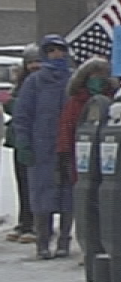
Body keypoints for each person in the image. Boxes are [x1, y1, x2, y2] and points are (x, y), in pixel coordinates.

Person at [13, 35, 73, 259]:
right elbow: (23, 115)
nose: (56, 55)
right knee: (41, 196)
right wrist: (24, 143)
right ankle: (43, 241)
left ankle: (64, 240)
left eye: (60, 50)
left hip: (67, 148)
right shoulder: (34, 82)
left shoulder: (72, 81)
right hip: (42, 147)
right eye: (51, 51)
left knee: (68, 196)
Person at [55, 57, 114, 259]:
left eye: (101, 76)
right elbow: (66, 129)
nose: (97, 80)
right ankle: (89, 244)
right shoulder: (76, 101)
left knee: (106, 205)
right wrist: (63, 155)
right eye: (93, 76)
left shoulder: (115, 101)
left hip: (107, 162)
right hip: (80, 162)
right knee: (85, 205)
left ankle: (107, 243)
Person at [5, 47, 41, 243]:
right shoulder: (21, 84)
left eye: (37, 61)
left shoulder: (44, 83)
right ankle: (24, 221)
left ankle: (36, 223)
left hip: (38, 139)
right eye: (30, 62)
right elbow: (14, 108)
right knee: (22, 182)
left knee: (35, 183)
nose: (34, 66)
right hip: (20, 139)